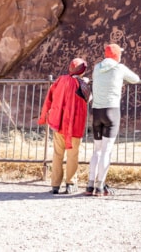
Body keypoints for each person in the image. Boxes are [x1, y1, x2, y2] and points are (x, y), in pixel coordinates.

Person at [85, 43, 140, 196]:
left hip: (96, 111)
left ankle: (90, 185)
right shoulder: (120, 68)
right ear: (117, 55)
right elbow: (136, 79)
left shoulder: (97, 67)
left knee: (96, 150)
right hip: (112, 111)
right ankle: (100, 186)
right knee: (106, 151)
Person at [38, 57, 91, 194]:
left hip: (59, 123)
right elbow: (88, 98)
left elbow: (51, 96)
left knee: (57, 154)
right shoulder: (81, 84)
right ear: (82, 71)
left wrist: (46, 115)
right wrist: (86, 83)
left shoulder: (60, 80)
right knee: (73, 155)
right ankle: (70, 183)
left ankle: (55, 185)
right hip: (74, 125)